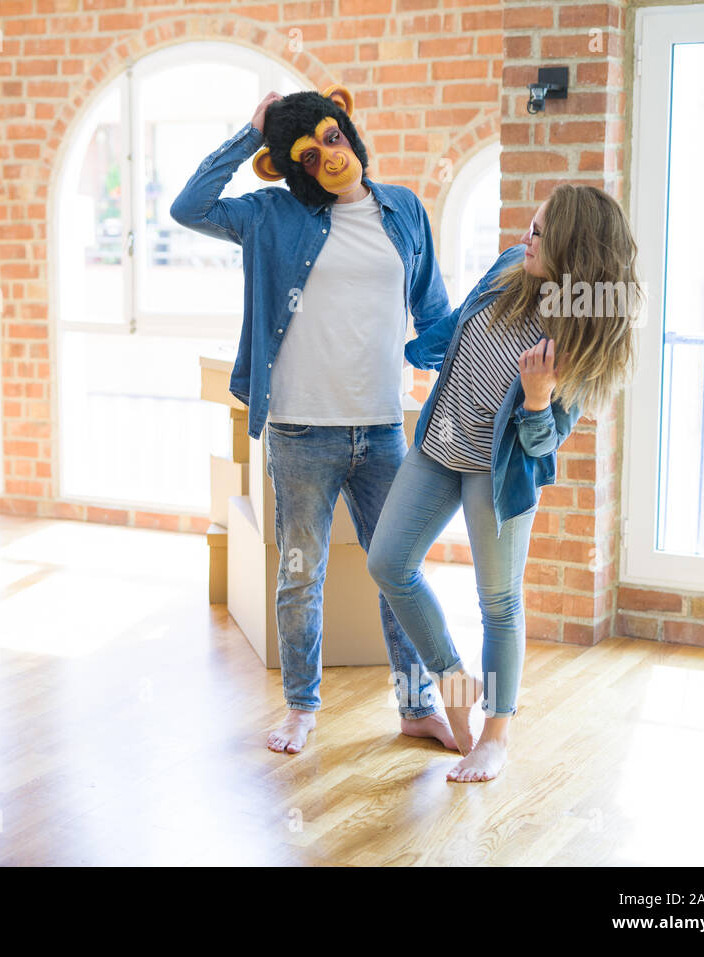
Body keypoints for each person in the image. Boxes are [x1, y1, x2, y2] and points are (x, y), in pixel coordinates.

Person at [170, 87, 454, 754]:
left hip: (382, 427)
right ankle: (301, 706)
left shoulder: (403, 209)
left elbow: (435, 312)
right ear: (290, 167)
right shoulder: (272, 213)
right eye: (308, 152)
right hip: (300, 430)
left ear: (347, 128)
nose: (329, 155)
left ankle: (418, 706)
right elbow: (191, 207)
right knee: (302, 572)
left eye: (332, 136)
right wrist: (251, 135)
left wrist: (461, 378)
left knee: (399, 571)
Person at [368, 183, 641, 782]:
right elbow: (461, 328)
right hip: (439, 446)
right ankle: (452, 678)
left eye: (539, 232)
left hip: (498, 476)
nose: (526, 237)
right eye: (531, 225)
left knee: (498, 601)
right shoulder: (510, 268)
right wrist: (411, 348)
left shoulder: (580, 334)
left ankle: (495, 735)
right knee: (388, 562)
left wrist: (540, 401)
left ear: (572, 249)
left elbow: (544, 449)